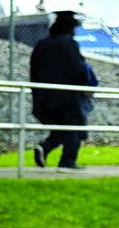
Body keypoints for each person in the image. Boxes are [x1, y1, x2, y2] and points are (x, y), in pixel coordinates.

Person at [28, 12, 94, 169]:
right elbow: (78, 69)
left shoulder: (42, 44)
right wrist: (87, 87)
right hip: (68, 96)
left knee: (61, 127)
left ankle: (45, 148)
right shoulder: (69, 44)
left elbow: (34, 70)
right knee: (73, 128)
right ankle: (67, 161)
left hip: (45, 95)